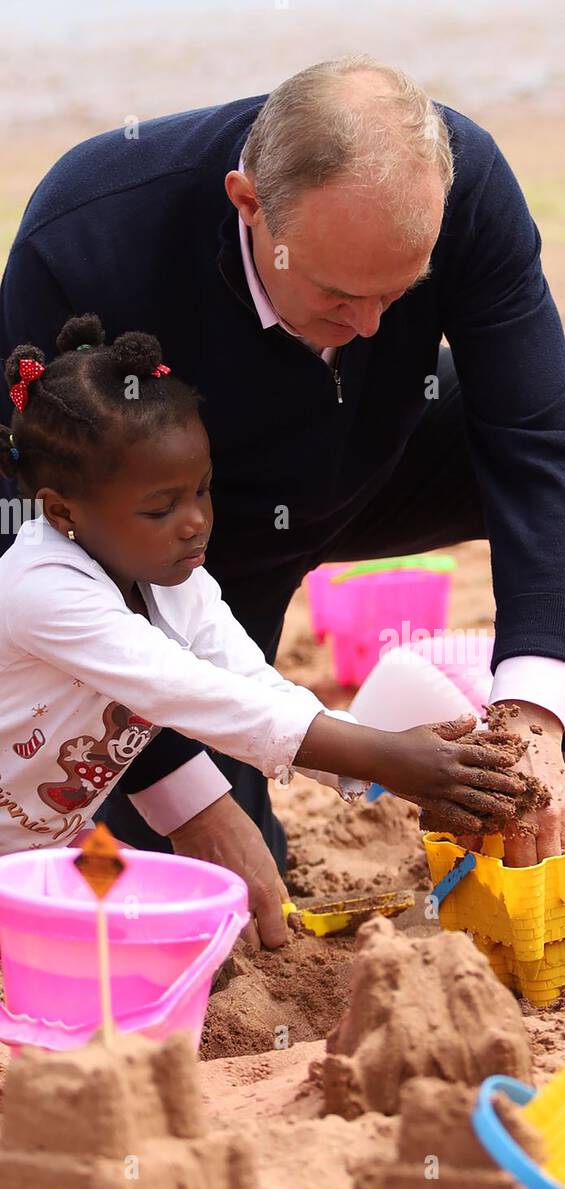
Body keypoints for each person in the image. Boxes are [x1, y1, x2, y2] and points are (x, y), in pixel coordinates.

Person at [0, 55, 565, 946]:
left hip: (377, 453)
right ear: (248, 203)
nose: (375, 329)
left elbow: (540, 435)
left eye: (401, 293)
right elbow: (60, 546)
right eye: (340, 295)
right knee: (224, 897)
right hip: (188, 543)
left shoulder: (464, 184)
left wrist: (533, 712)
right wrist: (191, 796)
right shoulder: (89, 235)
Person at [0, 314, 527, 947]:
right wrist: (392, 757)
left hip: (36, 850)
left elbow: (251, 681)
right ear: (62, 511)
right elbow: (192, 694)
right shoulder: (42, 590)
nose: (195, 521)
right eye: (161, 508)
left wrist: (383, 760)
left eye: (203, 490)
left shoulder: (170, 576)